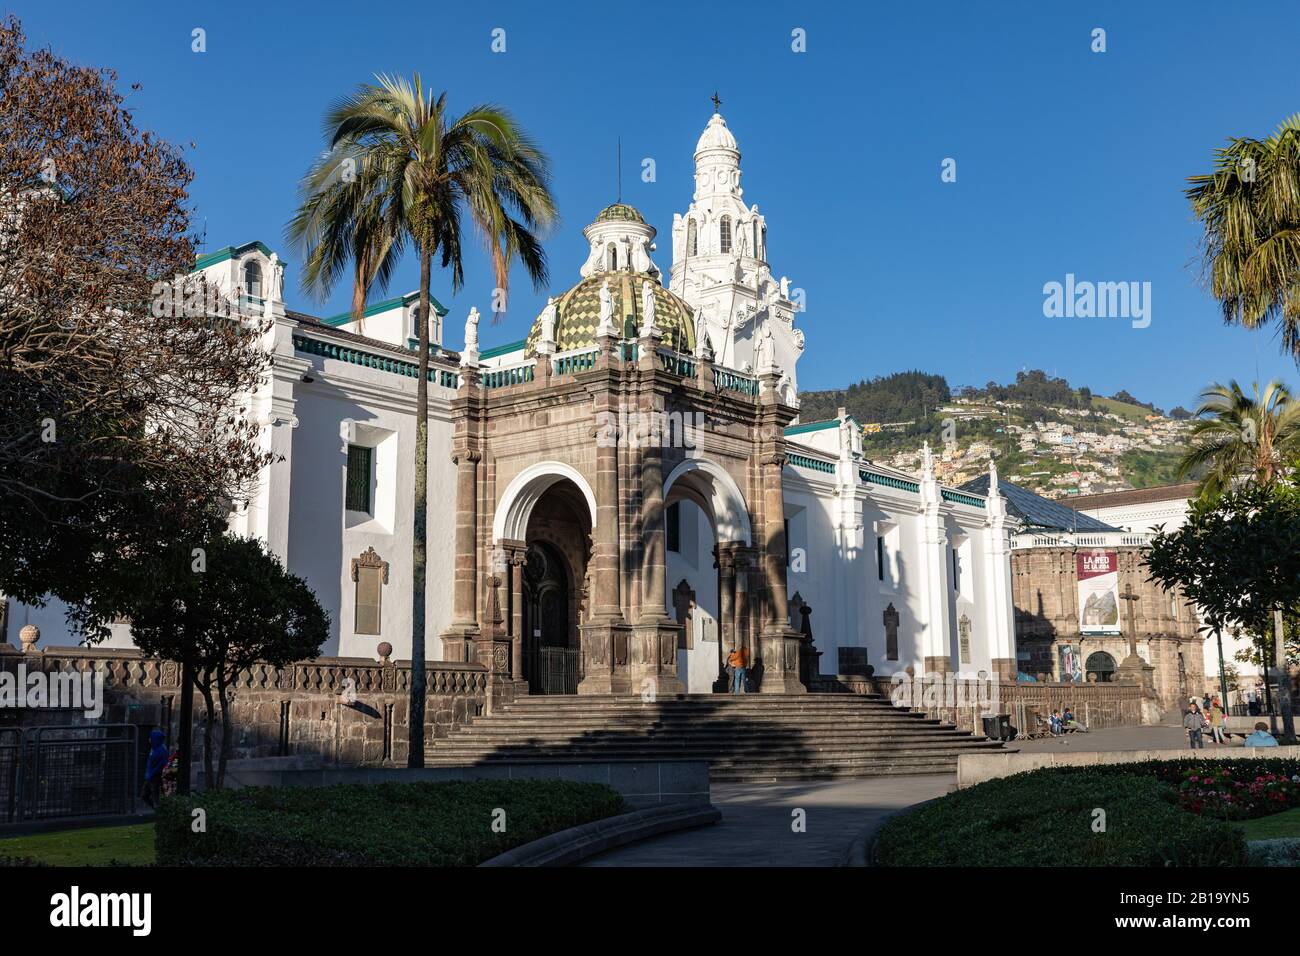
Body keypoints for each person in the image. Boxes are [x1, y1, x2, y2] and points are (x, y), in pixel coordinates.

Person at [142, 729, 169, 809]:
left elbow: (162, 764)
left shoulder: (161, 750)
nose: (149, 739)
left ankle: (159, 812)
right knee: (145, 795)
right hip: (151, 776)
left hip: (156, 776)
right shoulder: (154, 748)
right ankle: (157, 810)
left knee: (155, 796)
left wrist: (152, 773)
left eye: (151, 738)